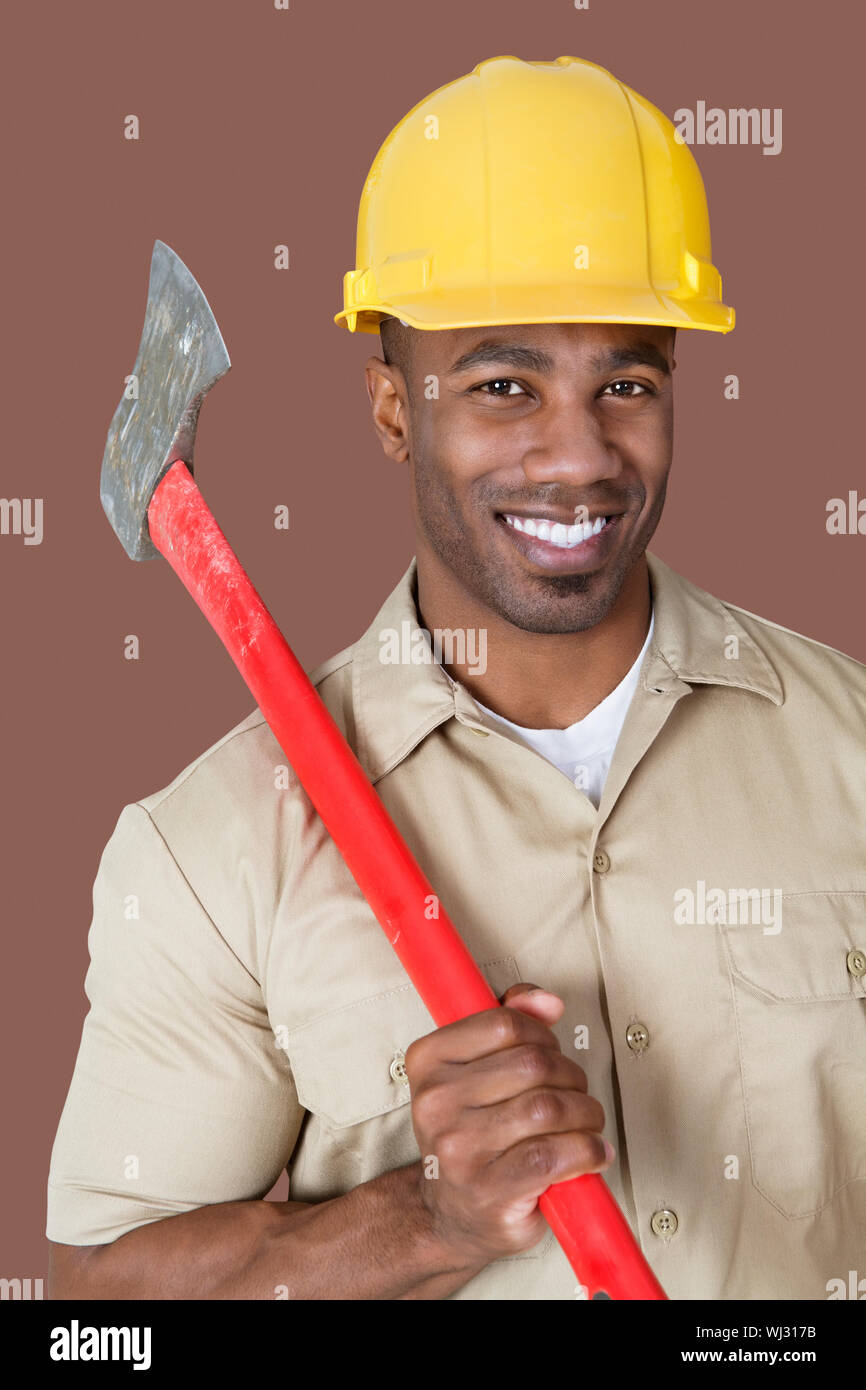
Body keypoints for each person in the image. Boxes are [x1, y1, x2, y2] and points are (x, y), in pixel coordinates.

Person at [47, 55, 866, 1301]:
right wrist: (425, 1220)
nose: (576, 455)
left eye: (625, 383)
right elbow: (99, 1316)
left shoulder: (848, 750)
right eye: (502, 385)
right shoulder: (211, 851)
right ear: (393, 410)